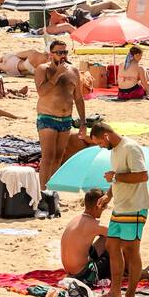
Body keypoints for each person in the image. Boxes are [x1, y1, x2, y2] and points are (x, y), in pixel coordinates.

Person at [90, 120, 149, 297]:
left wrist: (115, 177)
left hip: (135, 207)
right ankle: (115, 291)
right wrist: (108, 195)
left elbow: (142, 176)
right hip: (121, 206)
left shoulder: (131, 148)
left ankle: (130, 295)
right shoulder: (115, 151)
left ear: (106, 136)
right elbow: (117, 178)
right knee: (112, 246)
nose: (101, 146)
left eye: (100, 143)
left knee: (131, 251)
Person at [34, 40, 87, 188]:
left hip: (66, 120)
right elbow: (41, 92)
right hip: (47, 117)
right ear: (51, 54)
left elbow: (78, 98)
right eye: (59, 52)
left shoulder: (73, 71)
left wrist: (83, 122)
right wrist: (57, 74)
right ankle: (43, 192)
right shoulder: (43, 69)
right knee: (48, 157)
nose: (62, 55)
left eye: (65, 52)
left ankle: (53, 190)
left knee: (59, 157)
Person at [60, 188, 111, 286]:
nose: (104, 209)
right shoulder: (93, 225)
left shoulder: (76, 220)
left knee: (104, 239)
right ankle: (128, 273)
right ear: (98, 205)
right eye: (104, 206)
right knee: (115, 246)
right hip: (83, 275)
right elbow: (116, 236)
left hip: (70, 271)